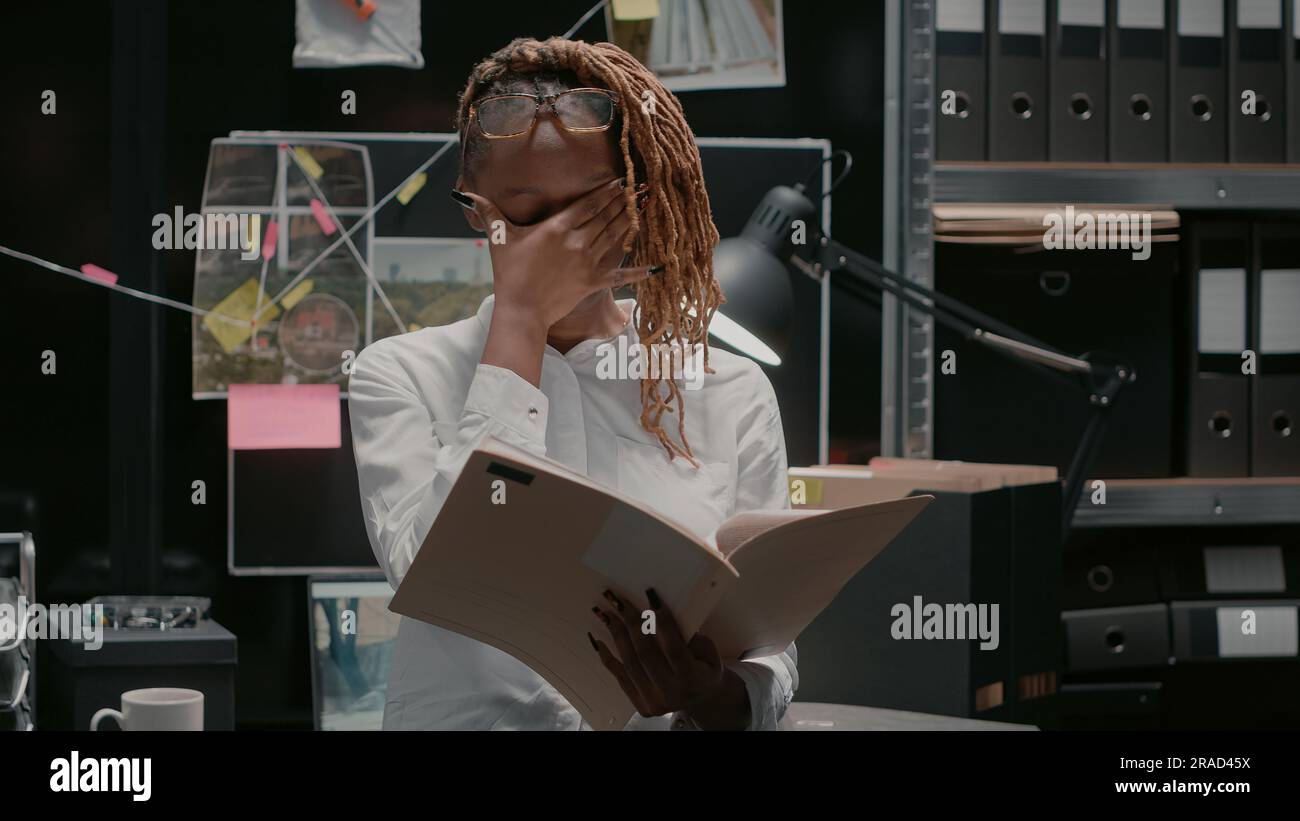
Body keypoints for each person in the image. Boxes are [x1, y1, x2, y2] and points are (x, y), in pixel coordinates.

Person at [348, 36, 797, 730]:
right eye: (529, 216)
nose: (564, 243)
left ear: (635, 202)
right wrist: (521, 320)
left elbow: (771, 650)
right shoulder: (398, 373)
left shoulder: (728, 389)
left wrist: (709, 693)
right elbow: (424, 575)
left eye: (589, 210)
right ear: (476, 211)